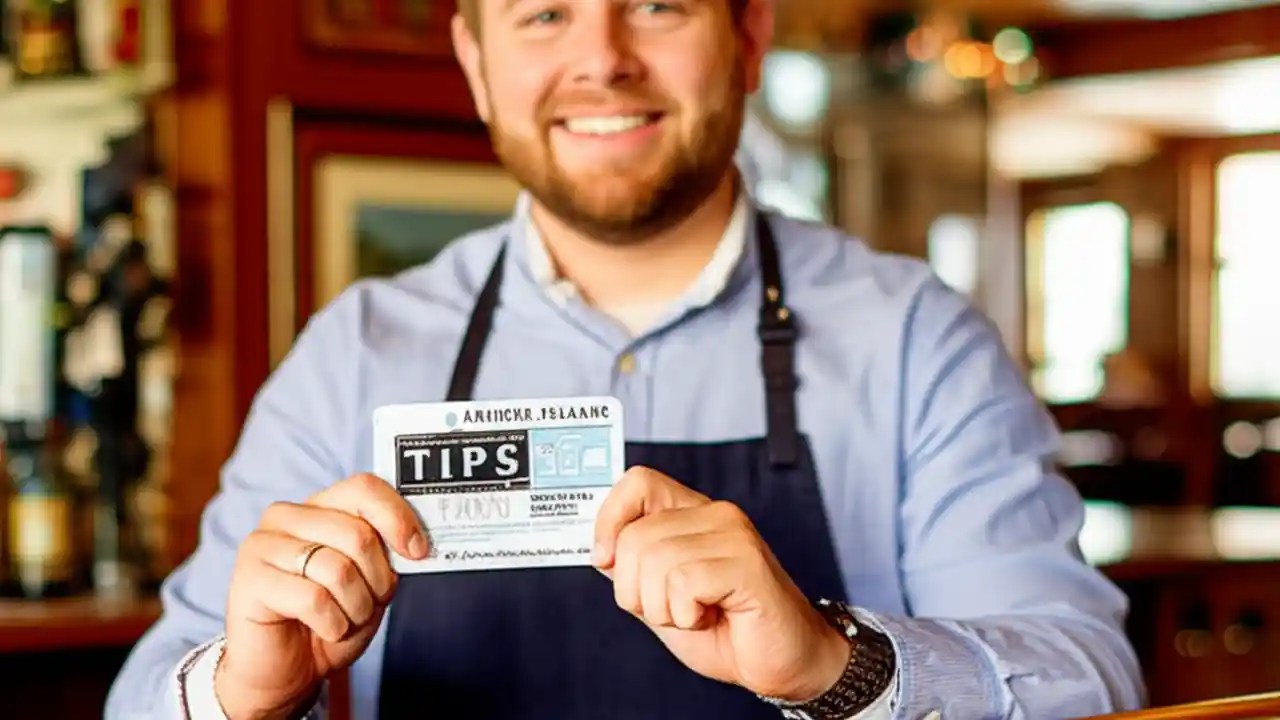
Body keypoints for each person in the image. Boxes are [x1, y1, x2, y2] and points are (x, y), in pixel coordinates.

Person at [107, 0, 1146, 718]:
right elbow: (149, 693)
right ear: (475, 62)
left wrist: (836, 662)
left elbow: (1092, 682)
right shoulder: (356, 352)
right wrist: (246, 687)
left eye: (657, 4)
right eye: (542, 14)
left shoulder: (915, 339)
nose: (602, 59)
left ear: (747, 39)